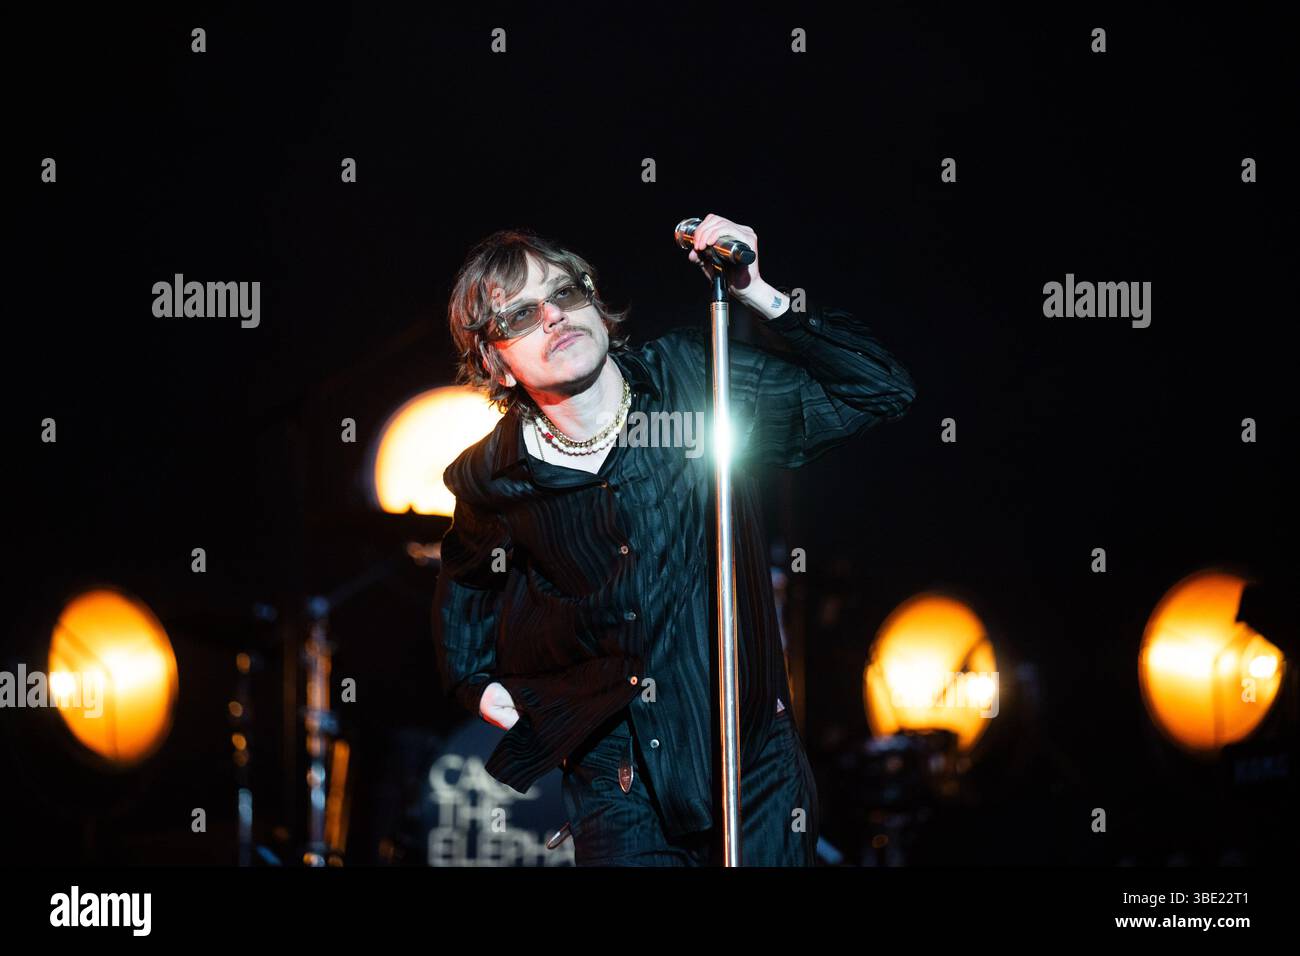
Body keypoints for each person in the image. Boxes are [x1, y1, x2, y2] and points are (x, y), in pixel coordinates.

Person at [433, 214, 917, 865]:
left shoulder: (696, 378)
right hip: (619, 782)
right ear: (494, 363)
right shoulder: (496, 475)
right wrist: (478, 686)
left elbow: (880, 390)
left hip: (751, 769)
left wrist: (757, 289)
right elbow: (466, 581)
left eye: (565, 293)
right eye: (519, 316)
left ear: (596, 305)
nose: (553, 316)